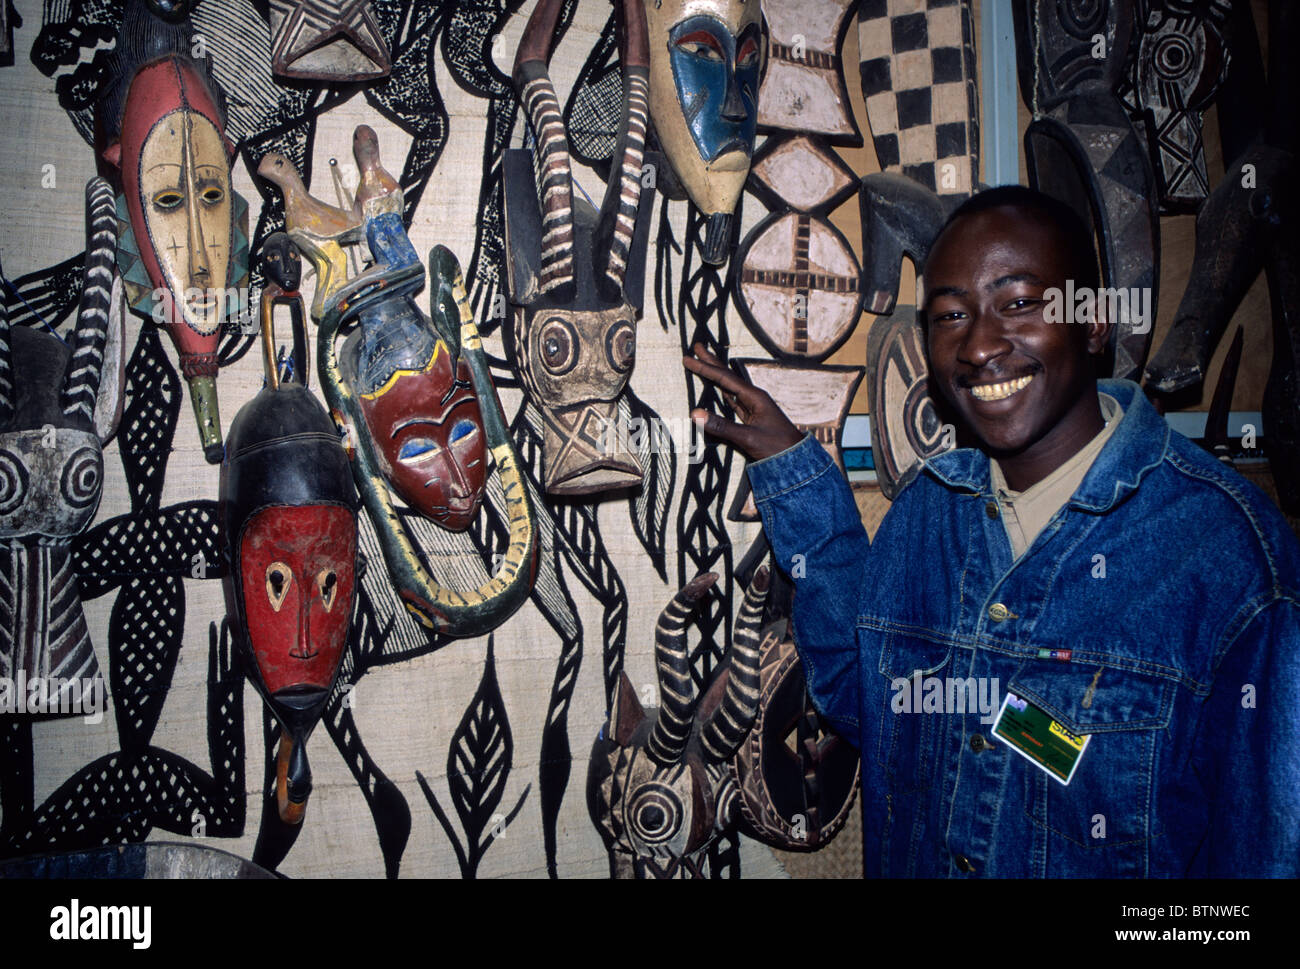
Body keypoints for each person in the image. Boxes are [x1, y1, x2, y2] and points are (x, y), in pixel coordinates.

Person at [683, 185, 1300, 877]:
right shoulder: (926, 514)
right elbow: (868, 705)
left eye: (1019, 303)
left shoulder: (1232, 560)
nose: (978, 345)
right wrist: (797, 476)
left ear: (1094, 322)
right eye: (951, 315)